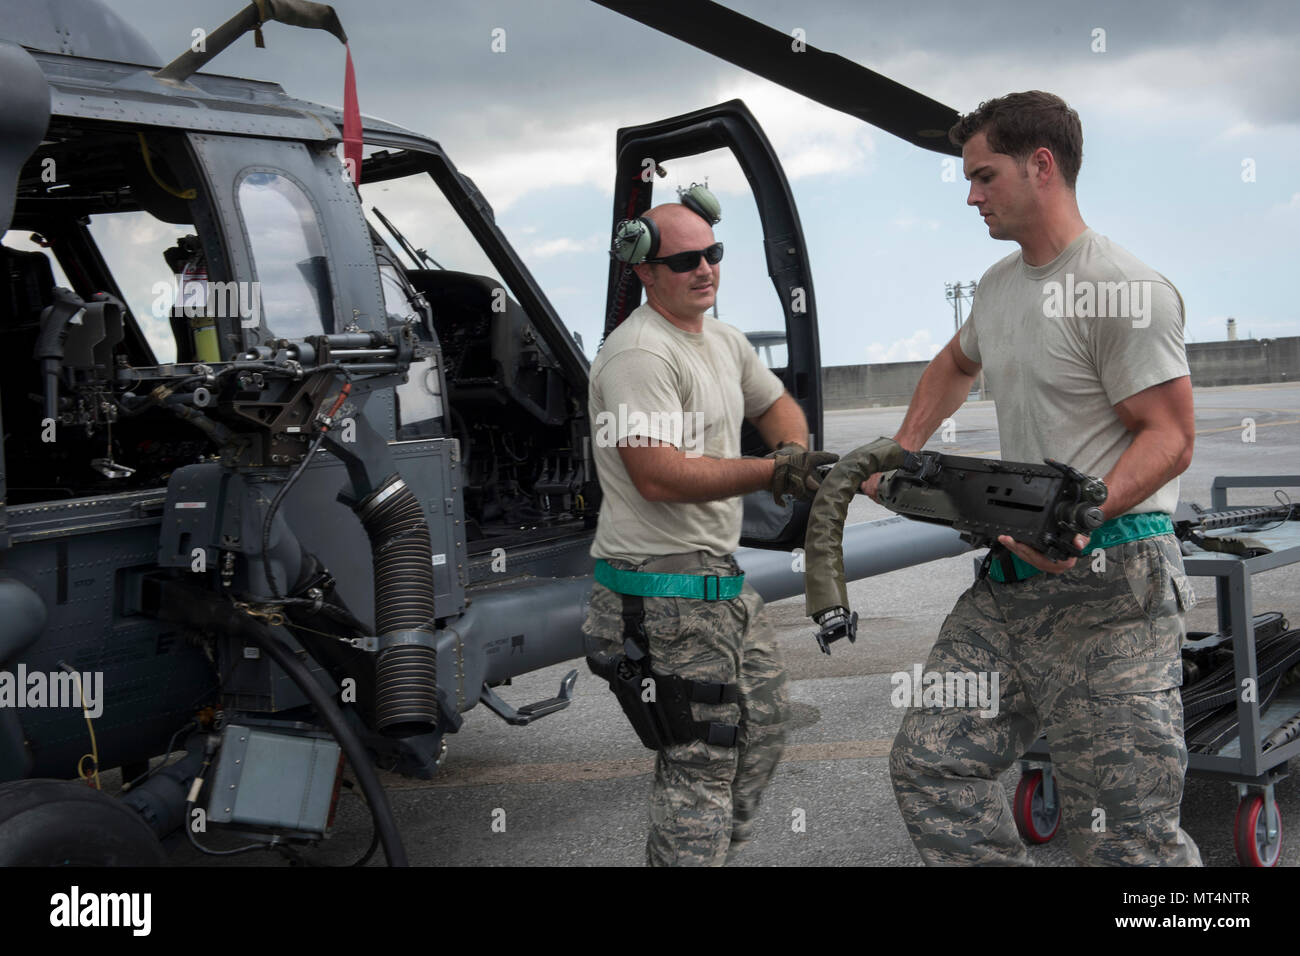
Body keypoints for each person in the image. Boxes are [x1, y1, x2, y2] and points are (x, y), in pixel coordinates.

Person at [863, 91, 1201, 865]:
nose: (971, 196)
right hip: (1012, 586)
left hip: (1114, 583)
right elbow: (956, 362)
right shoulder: (998, 286)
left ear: (1040, 165)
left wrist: (1081, 515)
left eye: (984, 176)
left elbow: (1171, 437)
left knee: (1125, 837)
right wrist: (901, 451)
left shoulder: (1124, 289)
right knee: (930, 762)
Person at [583, 199, 834, 866]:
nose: (705, 269)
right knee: (700, 764)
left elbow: (777, 404)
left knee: (764, 732)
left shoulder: (719, 340)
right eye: (685, 260)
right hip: (658, 593)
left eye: (713, 254)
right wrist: (774, 474)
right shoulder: (638, 353)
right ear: (645, 271)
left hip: (714, 584)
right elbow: (659, 475)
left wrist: (788, 451)